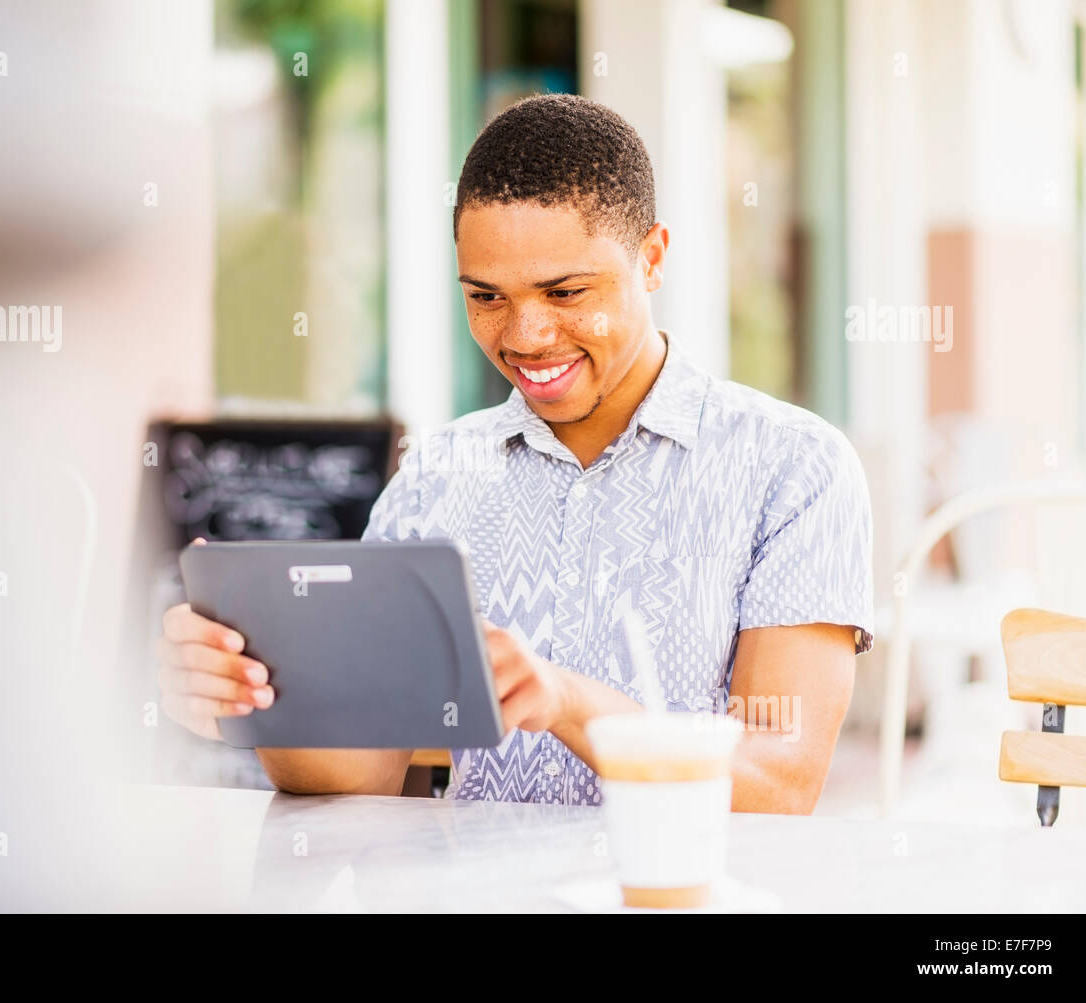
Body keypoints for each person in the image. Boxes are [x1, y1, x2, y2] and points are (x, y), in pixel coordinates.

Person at [156, 93, 873, 812]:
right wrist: (255, 689)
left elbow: (779, 782)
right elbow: (363, 771)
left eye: (565, 291)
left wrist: (565, 701)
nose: (526, 335)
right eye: (486, 296)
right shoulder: (436, 475)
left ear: (651, 258)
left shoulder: (795, 468)